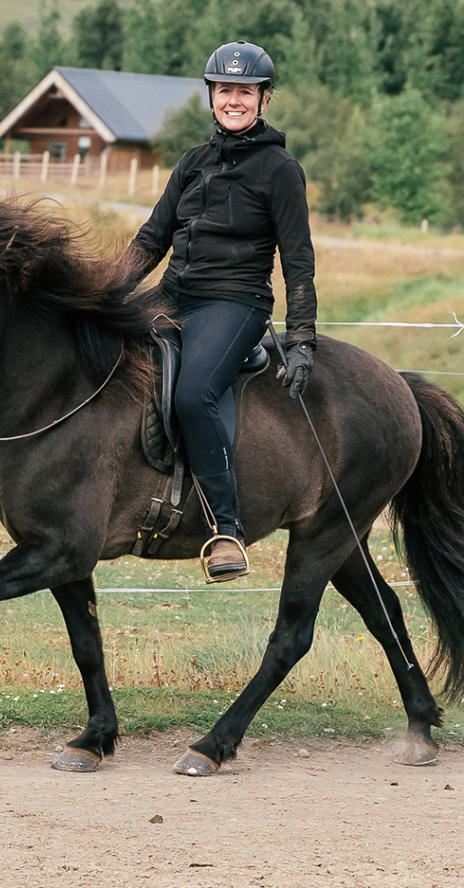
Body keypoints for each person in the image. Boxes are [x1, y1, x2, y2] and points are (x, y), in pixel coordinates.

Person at [126, 39, 318, 582]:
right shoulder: (193, 162)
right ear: (211, 96)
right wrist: (103, 292)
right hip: (173, 295)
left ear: (264, 99)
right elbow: (151, 238)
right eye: (225, 90)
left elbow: (297, 260)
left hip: (234, 302)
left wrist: (302, 339)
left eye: (246, 92)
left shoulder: (281, 169)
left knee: (193, 394)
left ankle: (226, 529)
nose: (234, 100)